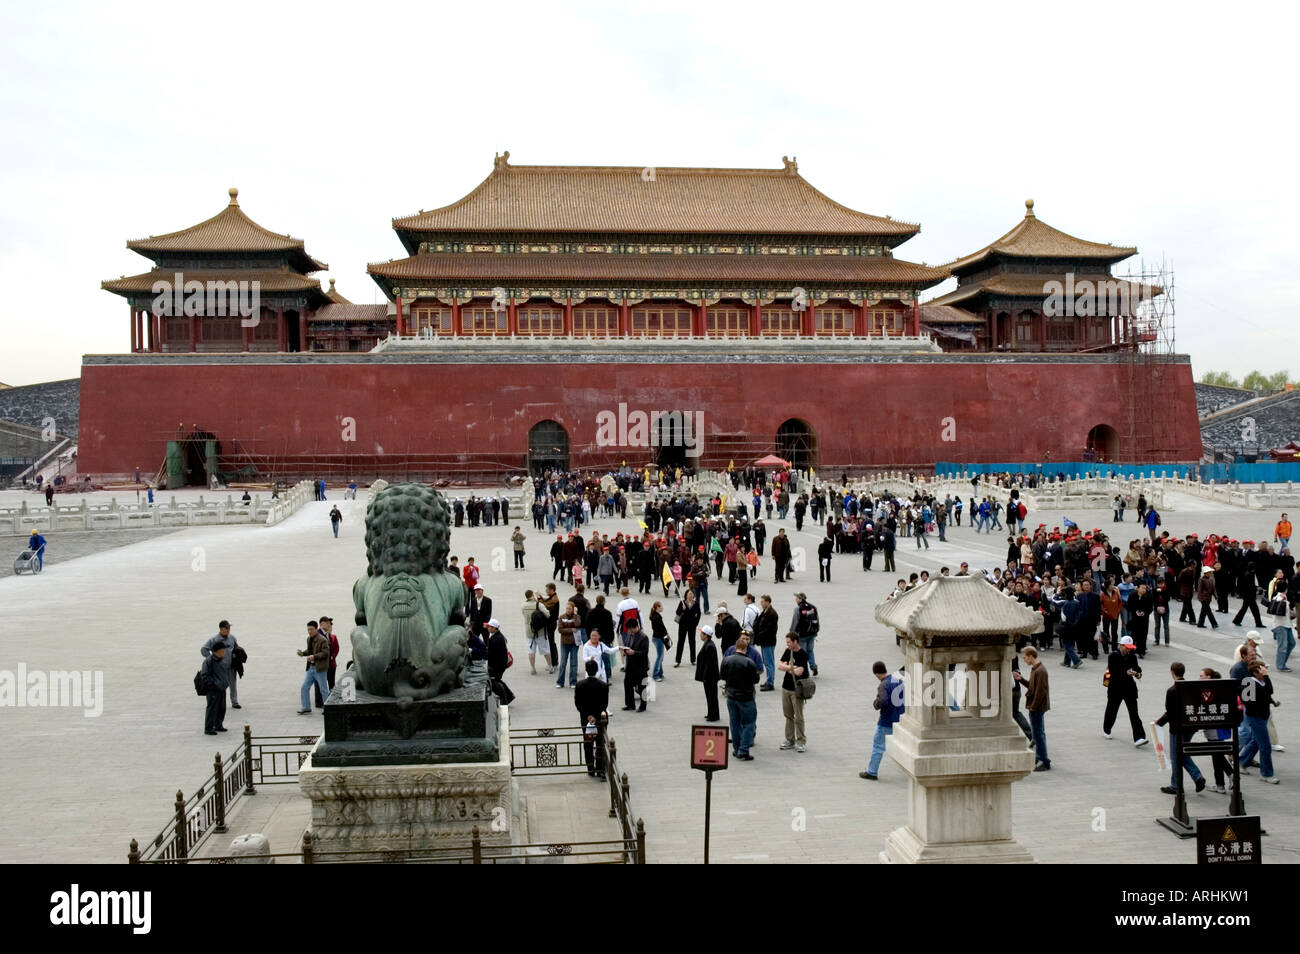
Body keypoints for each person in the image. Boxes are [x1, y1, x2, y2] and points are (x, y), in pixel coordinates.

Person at [1155, 661, 1207, 795]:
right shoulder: (1190, 687)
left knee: (1176, 756)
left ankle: (1177, 785)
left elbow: (1170, 712)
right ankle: (1197, 777)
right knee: (1182, 753)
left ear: (1172, 672)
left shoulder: (1172, 690)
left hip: (1177, 728)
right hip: (1190, 727)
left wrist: (1159, 723)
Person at [861, 660, 904, 779]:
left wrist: (876, 704)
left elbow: (882, 701)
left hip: (887, 720)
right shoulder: (898, 680)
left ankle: (872, 771)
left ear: (876, 673)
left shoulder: (883, 685)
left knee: (878, 745)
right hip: (900, 718)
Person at [1238, 660, 1279, 783]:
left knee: (1256, 741)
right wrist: (1266, 676)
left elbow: (1266, 694)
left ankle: (1242, 762)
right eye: (1263, 670)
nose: (1265, 671)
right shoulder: (1251, 684)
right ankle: (1266, 774)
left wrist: (1272, 702)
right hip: (1256, 718)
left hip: (1261, 717)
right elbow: (1268, 690)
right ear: (1256, 672)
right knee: (1265, 746)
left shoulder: (1259, 682)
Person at [721, 634, 760, 759]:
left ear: (736, 647)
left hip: (731, 696)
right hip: (746, 697)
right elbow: (756, 679)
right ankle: (743, 750)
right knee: (748, 723)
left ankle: (736, 749)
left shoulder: (727, 660)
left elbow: (722, 675)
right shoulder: (749, 662)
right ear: (745, 649)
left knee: (734, 723)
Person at [1102, 636, 1148, 745]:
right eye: (1126, 647)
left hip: (1129, 688)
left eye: (1130, 647)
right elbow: (1114, 672)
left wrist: (1138, 673)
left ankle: (1139, 737)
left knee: (1134, 713)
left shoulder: (1132, 656)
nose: (1128, 650)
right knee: (1112, 710)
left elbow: (1137, 668)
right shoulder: (1113, 656)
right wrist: (1126, 673)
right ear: (1121, 646)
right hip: (1115, 688)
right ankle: (1107, 729)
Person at [1014, 646, 1050, 771]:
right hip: (1036, 707)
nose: (1024, 660)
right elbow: (1032, 686)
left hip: (1037, 708)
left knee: (1038, 734)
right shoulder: (1036, 669)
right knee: (1038, 734)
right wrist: (1021, 679)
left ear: (1030, 656)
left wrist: (1033, 707)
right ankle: (1042, 758)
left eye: (1024, 657)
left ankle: (1042, 760)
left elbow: (1040, 692)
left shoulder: (1040, 671)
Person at [574, 660, 609, 778]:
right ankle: (599, 767)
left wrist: (588, 716)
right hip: (600, 719)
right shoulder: (603, 685)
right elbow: (604, 704)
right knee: (600, 742)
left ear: (586, 670)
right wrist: (595, 716)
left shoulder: (580, 685)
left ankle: (590, 767)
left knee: (588, 743)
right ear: (597, 669)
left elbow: (578, 703)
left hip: (586, 719)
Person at [777, 633, 809, 752]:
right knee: (788, 715)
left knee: (798, 717)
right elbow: (780, 666)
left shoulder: (803, 654)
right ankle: (790, 739)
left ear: (795, 641)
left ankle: (801, 741)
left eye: (789, 642)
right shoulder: (787, 651)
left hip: (797, 690)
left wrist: (787, 667)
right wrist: (792, 668)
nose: (787, 644)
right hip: (786, 688)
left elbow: (799, 672)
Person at [201, 620, 240, 710]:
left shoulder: (232, 638)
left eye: (229, 628)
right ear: (221, 629)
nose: (229, 629)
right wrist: (212, 659)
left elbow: (236, 648)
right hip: (219, 668)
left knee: (233, 684)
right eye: (227, 628)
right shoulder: (214, 639)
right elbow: (203, 649)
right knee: (220, 685)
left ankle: (235, 702)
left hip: (231, 666)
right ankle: (219, 702)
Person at [297, 620, 330, 715]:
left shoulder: (323, 640)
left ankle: (327, 708)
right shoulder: (309, 639)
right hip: (311, 668)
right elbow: (310, 650)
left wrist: (314, 657)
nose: (309, 631)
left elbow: (326, 653)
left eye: (311, 629)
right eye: (308, 630)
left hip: (320, 669)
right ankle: (306, 707)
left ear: (316, 629)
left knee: (323, 689)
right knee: (304, 687)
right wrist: (303, 653)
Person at [620, 617, 650, 712]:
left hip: (640, 666)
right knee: (627, 684)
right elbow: (627, 644)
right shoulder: (629, 634)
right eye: (629, 630)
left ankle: (643, 706)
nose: (630, 631)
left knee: (642, 687)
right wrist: (625, 650)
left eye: (631, 629)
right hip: (630, 665)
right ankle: (630, 704)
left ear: (636, 627)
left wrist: (634, 652)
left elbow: (645, 652)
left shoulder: (644, 637)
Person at [200, 640, 230, 735]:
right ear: (218, 651)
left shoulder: (222, 660)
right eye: (223, 650)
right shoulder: (209, 661)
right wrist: (214, 684)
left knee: (222, 708)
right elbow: (205, 675)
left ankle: (218, 725)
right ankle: (209, 728)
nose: (224, 652)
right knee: (212, 708)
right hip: (213, 690)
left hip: (222, 688)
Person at [486, 619, 516, 705]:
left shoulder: (495, 639)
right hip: (500, 664)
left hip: (497, 665)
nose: (488, 628)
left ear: (494, 628)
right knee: (497, 680)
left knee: (495, 682)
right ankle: (509, 696)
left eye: (490, 627)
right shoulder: (498, 636)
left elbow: (491, 654)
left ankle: (505, 699)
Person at [753, 594, 779, 690]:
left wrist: (759, 635)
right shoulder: (765, 611)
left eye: (762, 602)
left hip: (768, 641)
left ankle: (770, 683)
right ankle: (768, 680)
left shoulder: (772, 614)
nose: (761, 603)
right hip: (765, 641)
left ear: (768, 602)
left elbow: (769, 630)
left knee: (769, 663)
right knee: (767, 662)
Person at [695, 624, 720, 721]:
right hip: (709, 677)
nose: (700, 634)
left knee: (712, 696)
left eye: (701, 633)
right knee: (710, 696)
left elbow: (709, 664)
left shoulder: (709, 646)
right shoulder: (708, 643)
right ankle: (711, 713)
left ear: (706, 635)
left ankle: (713, 715)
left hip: (710, 677)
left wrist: (705, 677)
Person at [793, 592, 820, 676]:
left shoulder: (798, 609)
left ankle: (804, 670)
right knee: (810, 651)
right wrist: (816, 631)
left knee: (803, 653)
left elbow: (795, 622)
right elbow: (817, 620)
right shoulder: (813, 607)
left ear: (801, 599)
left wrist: (792, 633)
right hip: (812, 633)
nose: (795, 599)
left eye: (797, 598)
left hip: (802, 635)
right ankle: (813, 666)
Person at [555, 601, 581, 686]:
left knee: (573, 663)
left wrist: (575, 615)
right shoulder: (561, 617)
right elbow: (560, 629)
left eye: (570, 609)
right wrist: (571, 630)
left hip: (574, 643)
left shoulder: (577, 617)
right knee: (563, 662)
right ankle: (560, 682)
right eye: (567, 608)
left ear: (573, 609)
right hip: (564, 643)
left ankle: (573, 682)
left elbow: (577, 624)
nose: (568, 610)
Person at [674, 589, 701, 667]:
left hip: (692, 626)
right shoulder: (682, 603)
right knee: (680, 642)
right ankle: (677, 660)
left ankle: (693, 659)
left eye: (692, 594)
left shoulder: (696, 603)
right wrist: (682, 609)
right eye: (689, 594)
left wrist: (696, 623)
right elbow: (677, 612)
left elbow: (698, 614)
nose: (691, 595)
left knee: (692, 642)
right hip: (683, 625)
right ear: (686, 595)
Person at [649, 601, 669, 681]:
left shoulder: (655, 615)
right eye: (661, 606)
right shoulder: (657, 617)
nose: (662, 607)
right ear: (658, 607)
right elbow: (660, 629)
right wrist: (665, 636)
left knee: (660, 656)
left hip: (657, 638)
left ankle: (660, 672)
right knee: (659, 657)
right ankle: (655, 675)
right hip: (659, 638)